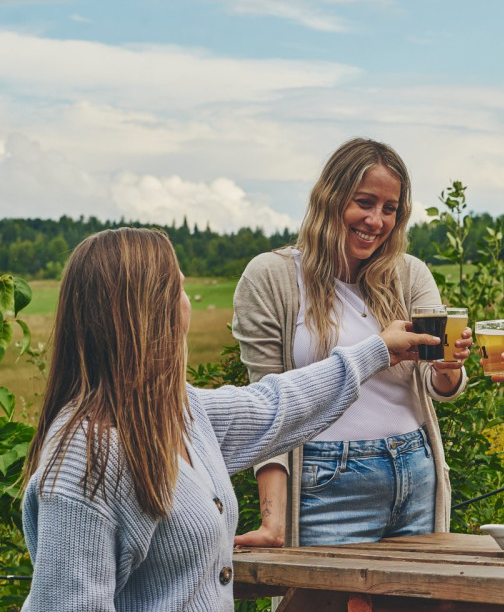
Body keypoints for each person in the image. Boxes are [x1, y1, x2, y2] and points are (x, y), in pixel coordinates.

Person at [20, 227, 442, 611]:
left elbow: (276, 404)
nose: (186, 300)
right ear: (148, 310)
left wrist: (377, 351)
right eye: (180, 287)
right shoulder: (84, 460)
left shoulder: (175, 412)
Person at [232, 138, 470, 548]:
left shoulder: (410, 274)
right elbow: (264, 408)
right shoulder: (271, 277)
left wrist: (449, 368)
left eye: (389, 209)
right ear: (332, 198)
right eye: (364, 202)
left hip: (414, 469)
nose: (376, 220)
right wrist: (273, 522)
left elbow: (440, 386)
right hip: (324, 481)